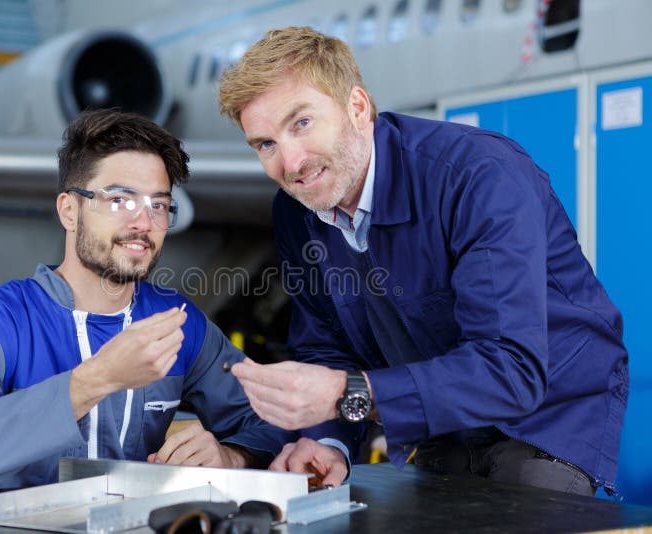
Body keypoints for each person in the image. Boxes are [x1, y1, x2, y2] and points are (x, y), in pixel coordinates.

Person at [218, 26, 628, 497]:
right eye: (265, 144)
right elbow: (326, 349)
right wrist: (327, 440)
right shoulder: (297, 210)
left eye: (302, 123)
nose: (289, 163)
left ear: (356, 107)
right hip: (440, 420)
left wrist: (346, 393)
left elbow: (511, 368)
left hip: (546, 417)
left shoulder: (476, 177)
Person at [0, 109, 295, 509]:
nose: (144, 221)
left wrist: (232, 456)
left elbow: (274, 419)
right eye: (120, 200)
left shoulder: (177, 324)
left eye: (159, 205)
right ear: (69, 210)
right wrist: (94, 381)